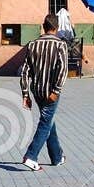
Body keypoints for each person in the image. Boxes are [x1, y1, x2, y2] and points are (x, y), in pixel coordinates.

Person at [19, 14, 67, 171]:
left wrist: (25, 94)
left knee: (48, 121)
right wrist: (56, 90)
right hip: (51, 92)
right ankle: (31, 156)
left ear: (43, 26)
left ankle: (57, 157)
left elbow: (25, 71)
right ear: (57, 27)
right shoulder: (60, 45)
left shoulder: (33, 45)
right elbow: (63, 70)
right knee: (46, 122)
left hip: (37, 91)